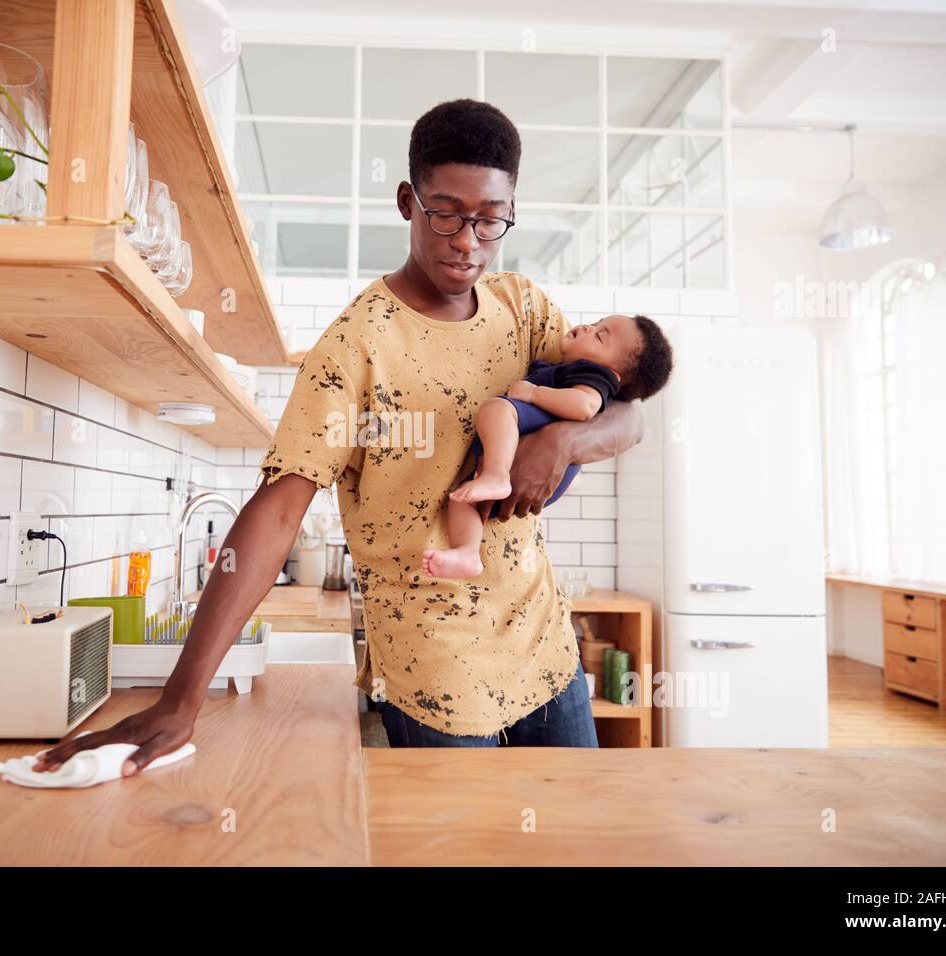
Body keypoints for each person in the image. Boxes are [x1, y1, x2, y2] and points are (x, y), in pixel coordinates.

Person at [33, 99, 645, 771]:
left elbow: (628, 412)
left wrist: (563, 443)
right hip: (434, 675)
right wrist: (181, 699)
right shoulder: (356, 345)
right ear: (407, 201)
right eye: (446, 212)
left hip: (546, 654)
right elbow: (278, 509)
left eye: (490, 218)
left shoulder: (523, 308)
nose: (468, 240)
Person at [426, 312, 672, 580]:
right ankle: (467, 552)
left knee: (498, 409)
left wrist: (535, 397)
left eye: (600, 335)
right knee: (462, 501)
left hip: (533, 453)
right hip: (525, 467)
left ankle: (496, 474)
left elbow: (586, 406)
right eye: (597, 322)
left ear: (613, 375)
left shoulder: (592, 374)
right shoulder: (567, 368)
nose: (589, 327)